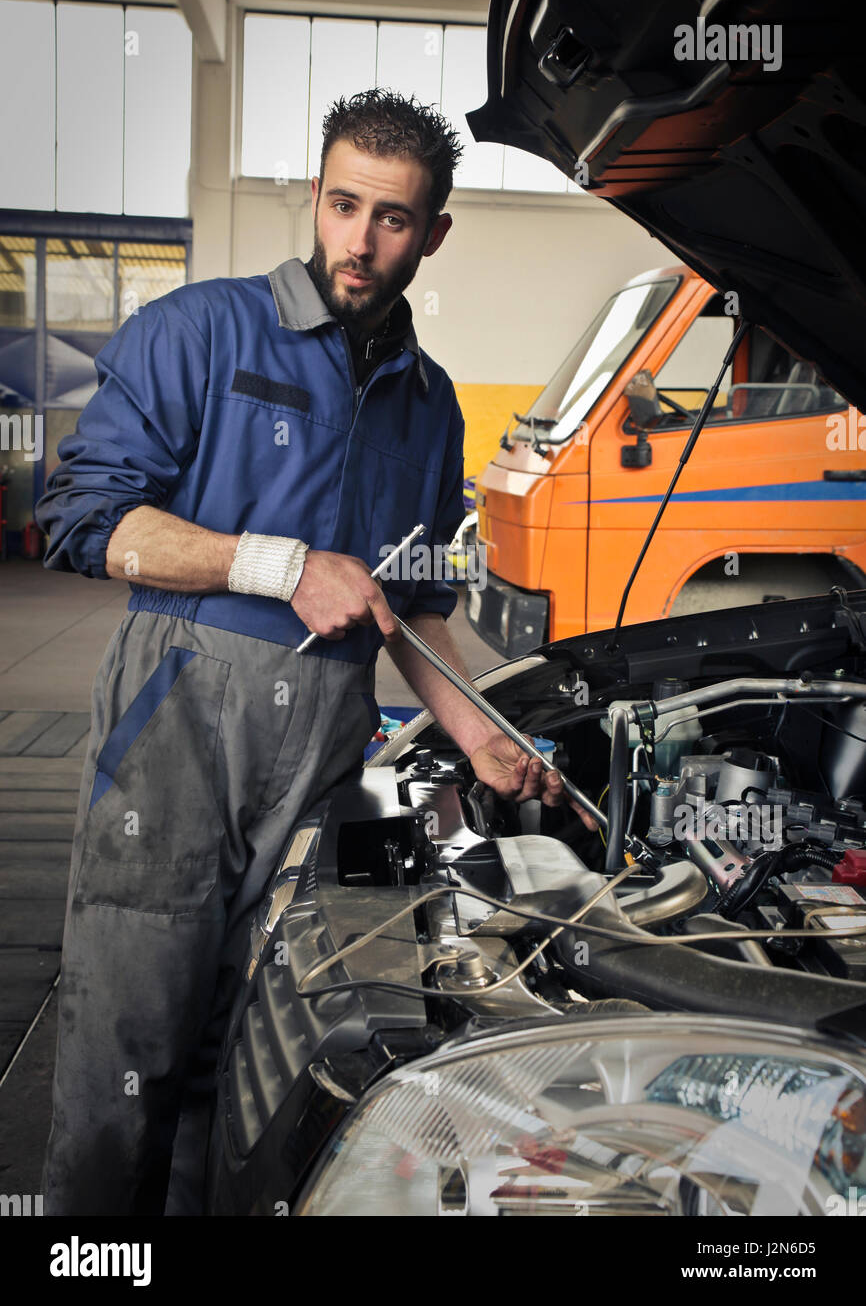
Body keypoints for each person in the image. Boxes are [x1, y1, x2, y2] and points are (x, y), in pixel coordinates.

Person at [35, 88, 597, 1216]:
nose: (360, 240)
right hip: (177, 729)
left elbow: (415, 606)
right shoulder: (200, 331)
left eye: (392, 218)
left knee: (254, 1050)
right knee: (126, 1050)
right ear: (316, 197)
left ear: (433, 232)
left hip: (324, 754)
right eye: (344, 206)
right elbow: (85, 522)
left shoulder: (429, 405)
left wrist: (480, 732)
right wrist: (279, 565)